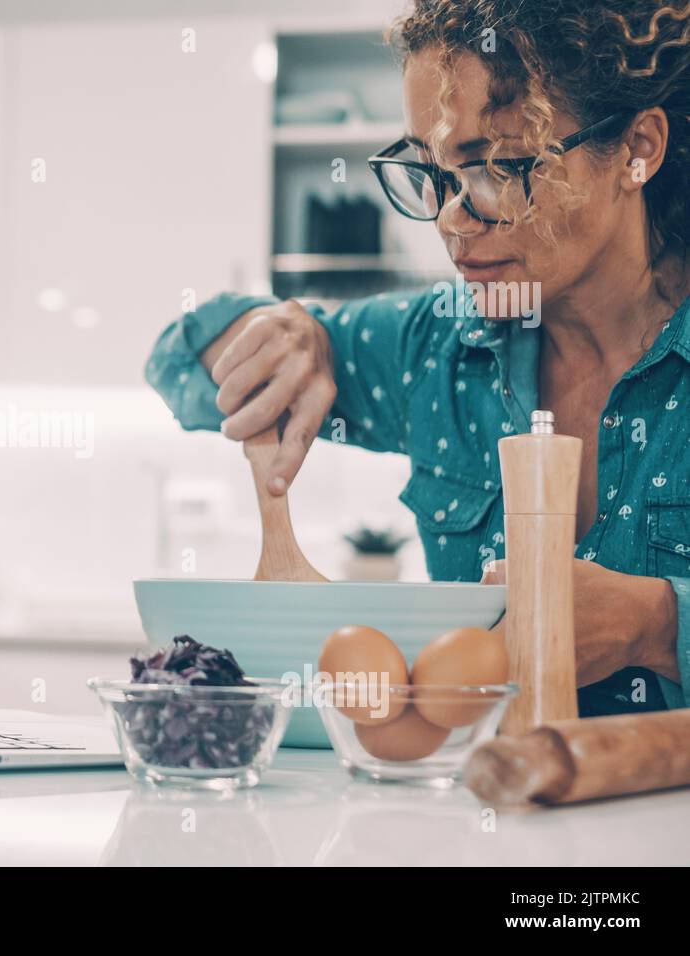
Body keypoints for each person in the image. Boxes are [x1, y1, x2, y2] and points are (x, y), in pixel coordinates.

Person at [146, 0, 690, 716]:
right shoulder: (438, 345)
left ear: (636, 149)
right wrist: (277, 329)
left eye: (499, 167)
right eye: (435, 173)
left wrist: (658, 625)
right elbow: (177, 364)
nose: (451, 219)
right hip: (481, 817)